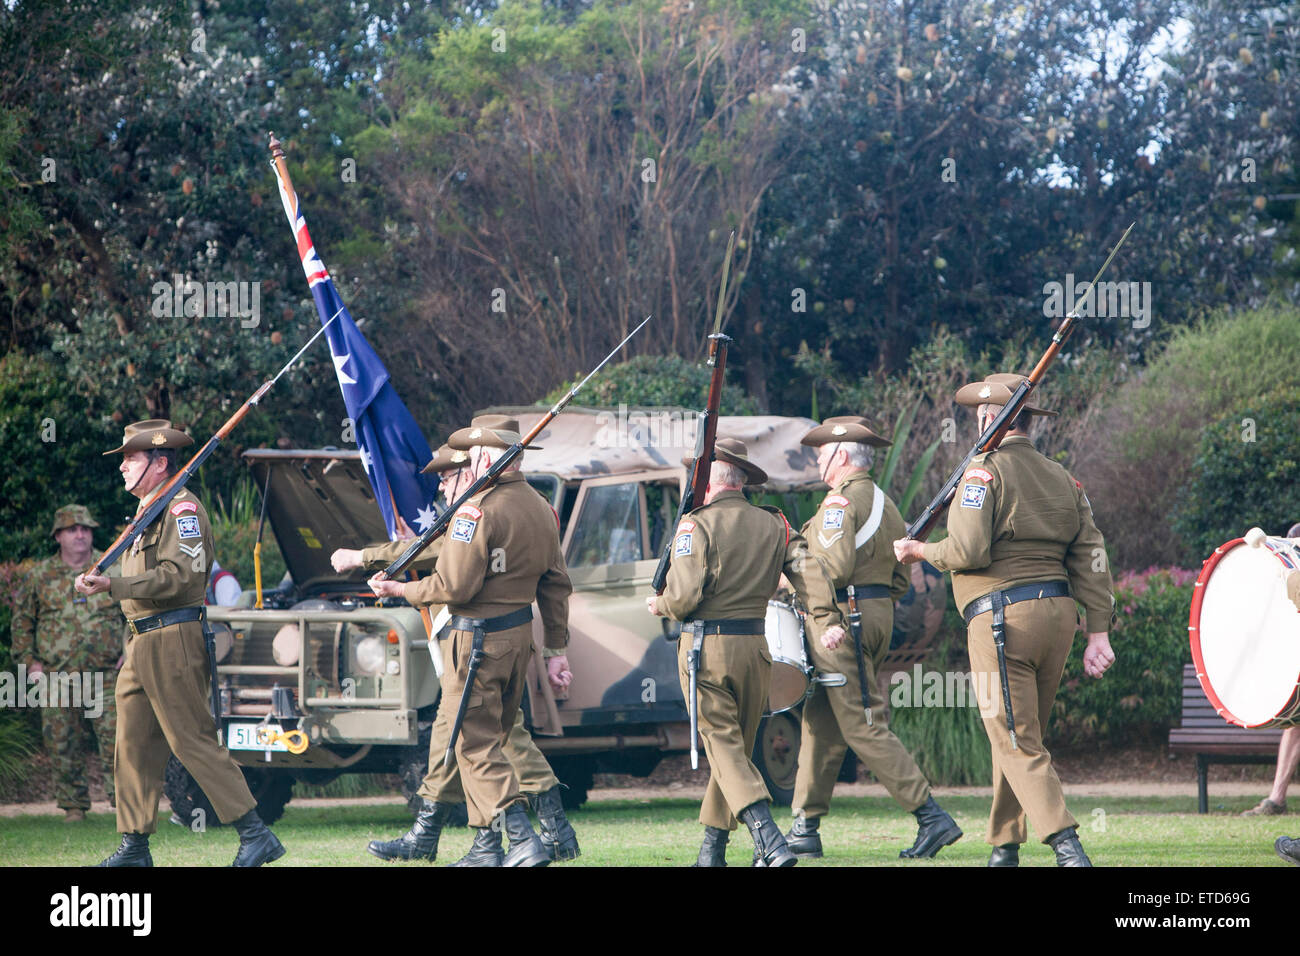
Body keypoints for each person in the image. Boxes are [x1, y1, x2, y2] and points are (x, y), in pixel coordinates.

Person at [893, 374, 1116, 867]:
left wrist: (919, 550)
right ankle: (1003, 845)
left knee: (1013, 737)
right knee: (1017, 733)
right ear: (1028, 422)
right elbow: (1092, 554)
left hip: (1001, 618)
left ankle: (1067, 846)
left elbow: (968, 550)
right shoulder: (1062, 477)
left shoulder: (982, 473)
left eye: (979, 417)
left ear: (989, 419)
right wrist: (1097, 628)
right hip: (1058, 617)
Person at [337, 433, 578, 863]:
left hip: (475, 639)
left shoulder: (477, 511)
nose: (444, 488)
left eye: (451, 475)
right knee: (469, 736)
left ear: (480, 459)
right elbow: (556, 583)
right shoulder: (541, 508)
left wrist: (398, 590)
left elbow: (454, 584)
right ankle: (473, 844)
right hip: (515, 637)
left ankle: (523, 841)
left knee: (477, 743)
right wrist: (556, 648)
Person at [75, 419, 285, 867]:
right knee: (131, 744)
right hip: (141, 641)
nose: (123, 468)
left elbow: (182, 576)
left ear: (159, 461)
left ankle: (255, 833)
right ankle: (134, 847)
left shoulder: (181, 510)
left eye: (131, 458)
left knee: (192, 740)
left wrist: (112, 585)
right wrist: (105, 579)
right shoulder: (147, 512)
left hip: (172, 637)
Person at [646, 437, 846, 867]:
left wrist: (659, 603)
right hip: (757, 648)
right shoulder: (775, 524)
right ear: (741, 480)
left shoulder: (694, 526)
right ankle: (711, 850)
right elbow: (809, 570)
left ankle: (768, 840)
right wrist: (827, 619)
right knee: (734, 750)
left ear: (708, 480)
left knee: (723, 747)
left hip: (706, 650)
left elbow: (681, 600)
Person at [786, 417, 961, 859]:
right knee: (823, 721)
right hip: (872, 614)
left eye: (823, 453)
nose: (818, 460)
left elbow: (830, 569)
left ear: (842, 456)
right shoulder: (886, 503)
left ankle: (930, 816)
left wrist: (793, 586)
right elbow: (903, 576)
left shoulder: (839, 504)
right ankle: (805, 825)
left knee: (864, 723)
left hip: (841, 623)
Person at [11, 505, 124, 822]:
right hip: (56, 675)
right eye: (73, 529)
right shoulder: (39, 576)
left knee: (118, 740)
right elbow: (22, 624)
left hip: (106, 675)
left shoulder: (111, 567)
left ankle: (123, 803)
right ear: (58, 535)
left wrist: (129, 649)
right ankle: (74, 806)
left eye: (86, 529)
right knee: (62, 743)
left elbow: (134, 611)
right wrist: (29, 663)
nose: (80, 534)